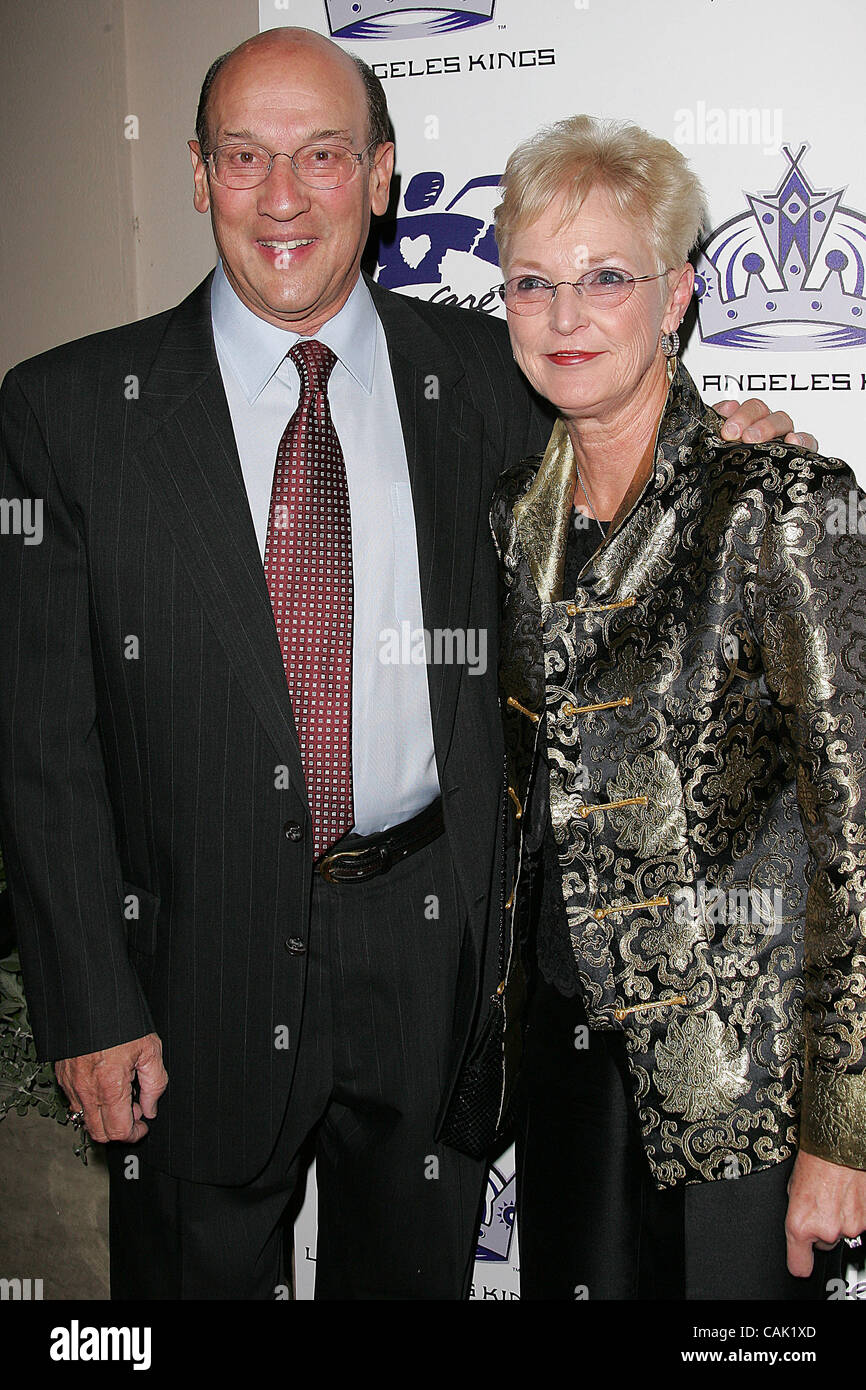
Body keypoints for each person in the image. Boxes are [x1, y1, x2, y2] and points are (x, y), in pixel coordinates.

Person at [0, 28, 809, 1300]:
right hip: (189, 968)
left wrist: (745, 439)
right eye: (246, 156)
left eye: (322, 154)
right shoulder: (69, 412)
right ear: (198, 176)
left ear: (380, 177)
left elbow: (637, 444)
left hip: (434, 952)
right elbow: (42, 744)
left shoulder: (490, 374)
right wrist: (89, 1000)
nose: (283, 195)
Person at [489, 114, 866, 1300]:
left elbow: (856, 833)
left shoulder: (777, 500)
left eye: (605, 277)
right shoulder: (512, 517)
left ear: (676, 297)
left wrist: (842, 1127)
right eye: (531, 284)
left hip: (739, 1083)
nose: (564, 316)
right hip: (560, 1055)